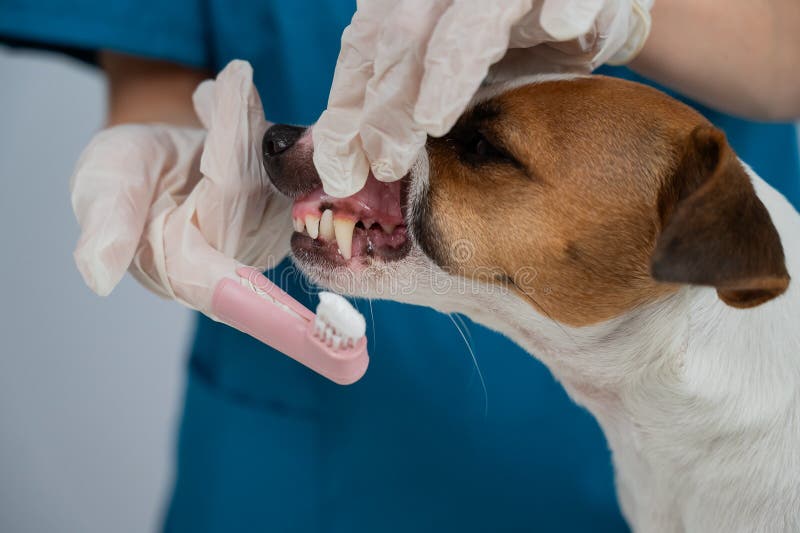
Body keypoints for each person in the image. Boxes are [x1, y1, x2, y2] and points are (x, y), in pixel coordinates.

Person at [1, 2, 798, 532]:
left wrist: (632, 10)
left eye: (479, 148)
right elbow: (148, 40)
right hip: (310, 471)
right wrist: (180, 163)